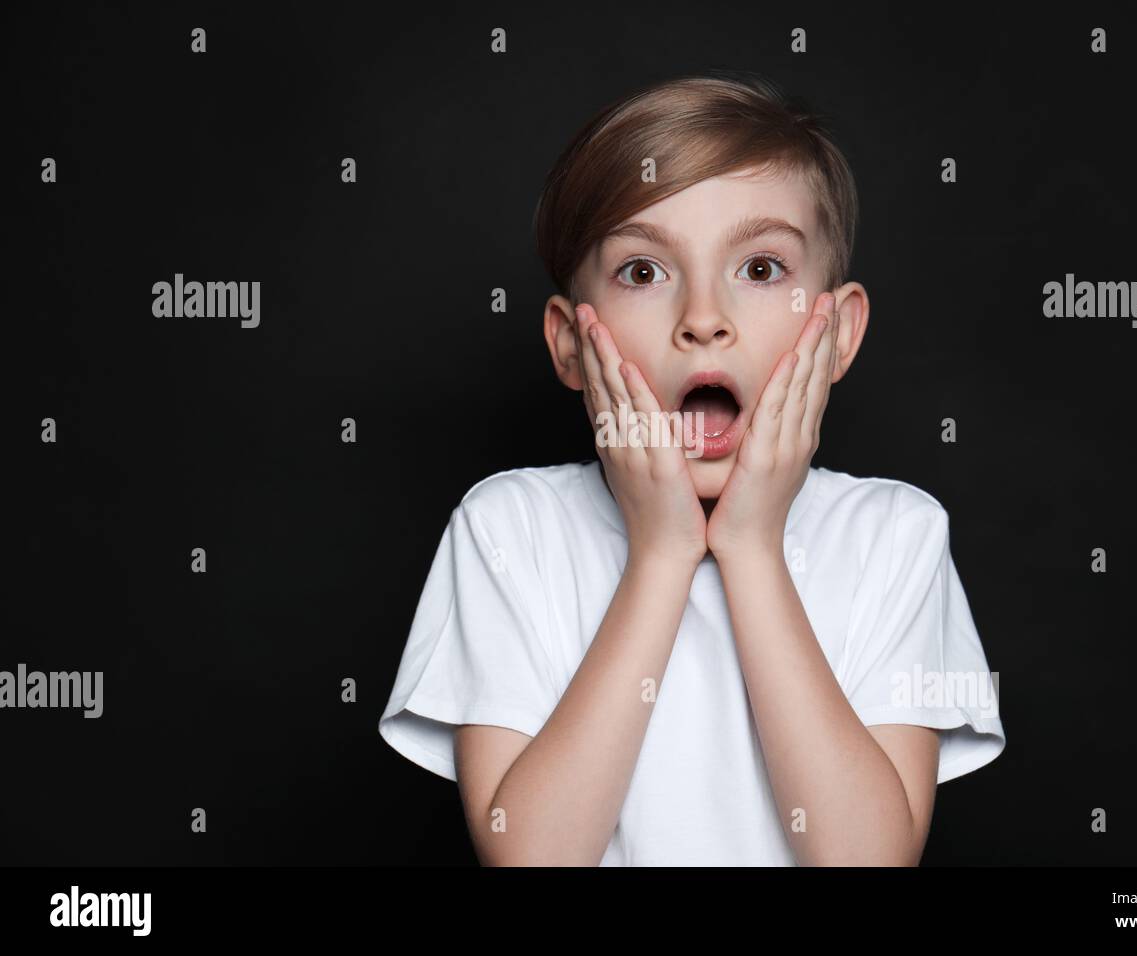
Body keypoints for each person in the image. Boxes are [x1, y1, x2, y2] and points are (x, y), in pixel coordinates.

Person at [378, 70, 1006, 866]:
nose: (703, 320)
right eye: (643, 272)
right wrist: (661, 552)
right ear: (571, 342)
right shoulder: (510, 530)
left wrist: (750, 547)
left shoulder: (896, 537)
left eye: (760, 269)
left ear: (839, 333)